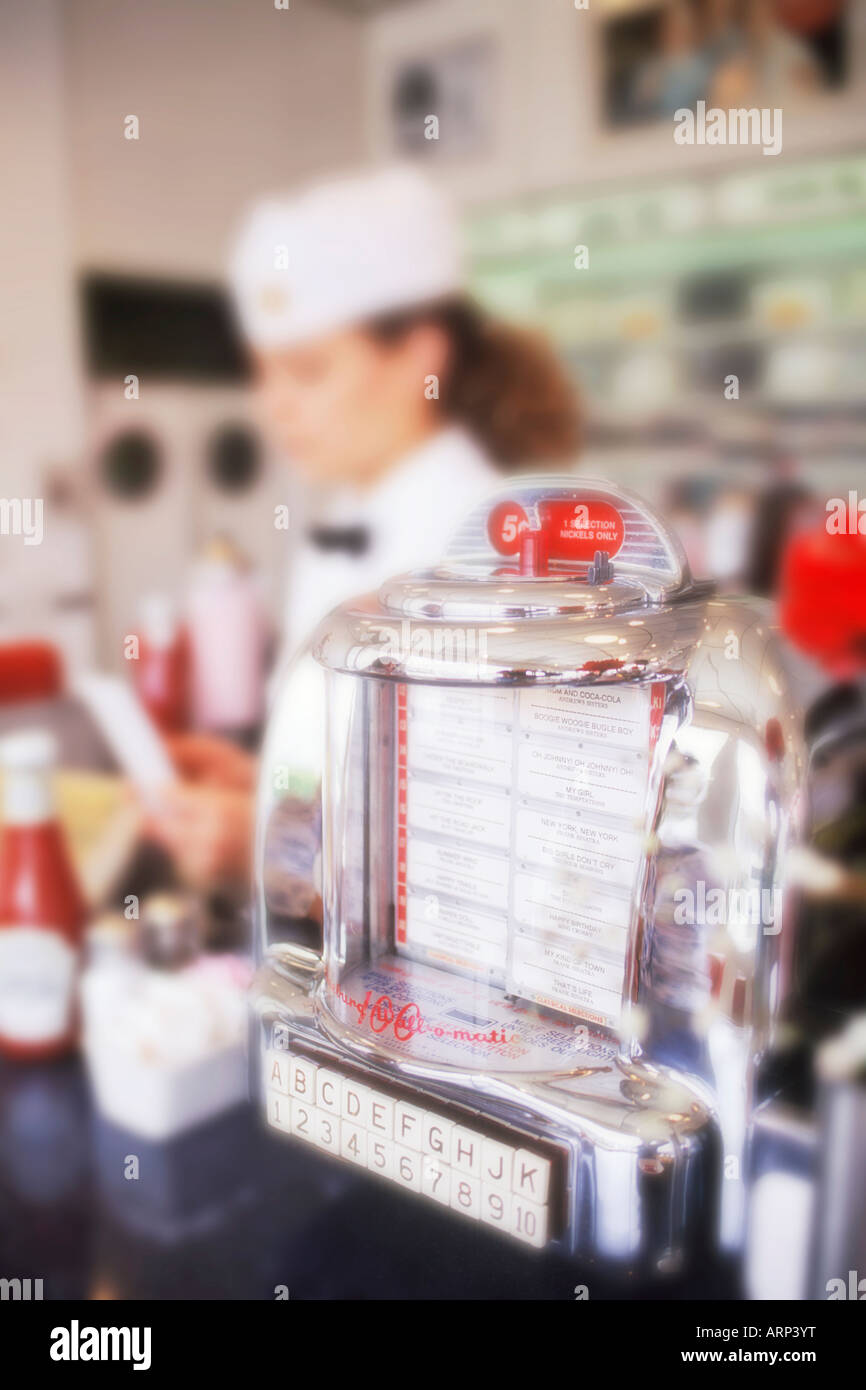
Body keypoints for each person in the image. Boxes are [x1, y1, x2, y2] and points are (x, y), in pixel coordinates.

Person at [145, 164, 580, 887]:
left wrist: (272, 849)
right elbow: (372, 776)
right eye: (263, 373)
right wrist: (265, 784)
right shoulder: (350, 515)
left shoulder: (494, 553)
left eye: (308, 371)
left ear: (421, 355)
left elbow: (494, 848)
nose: (271, 407)